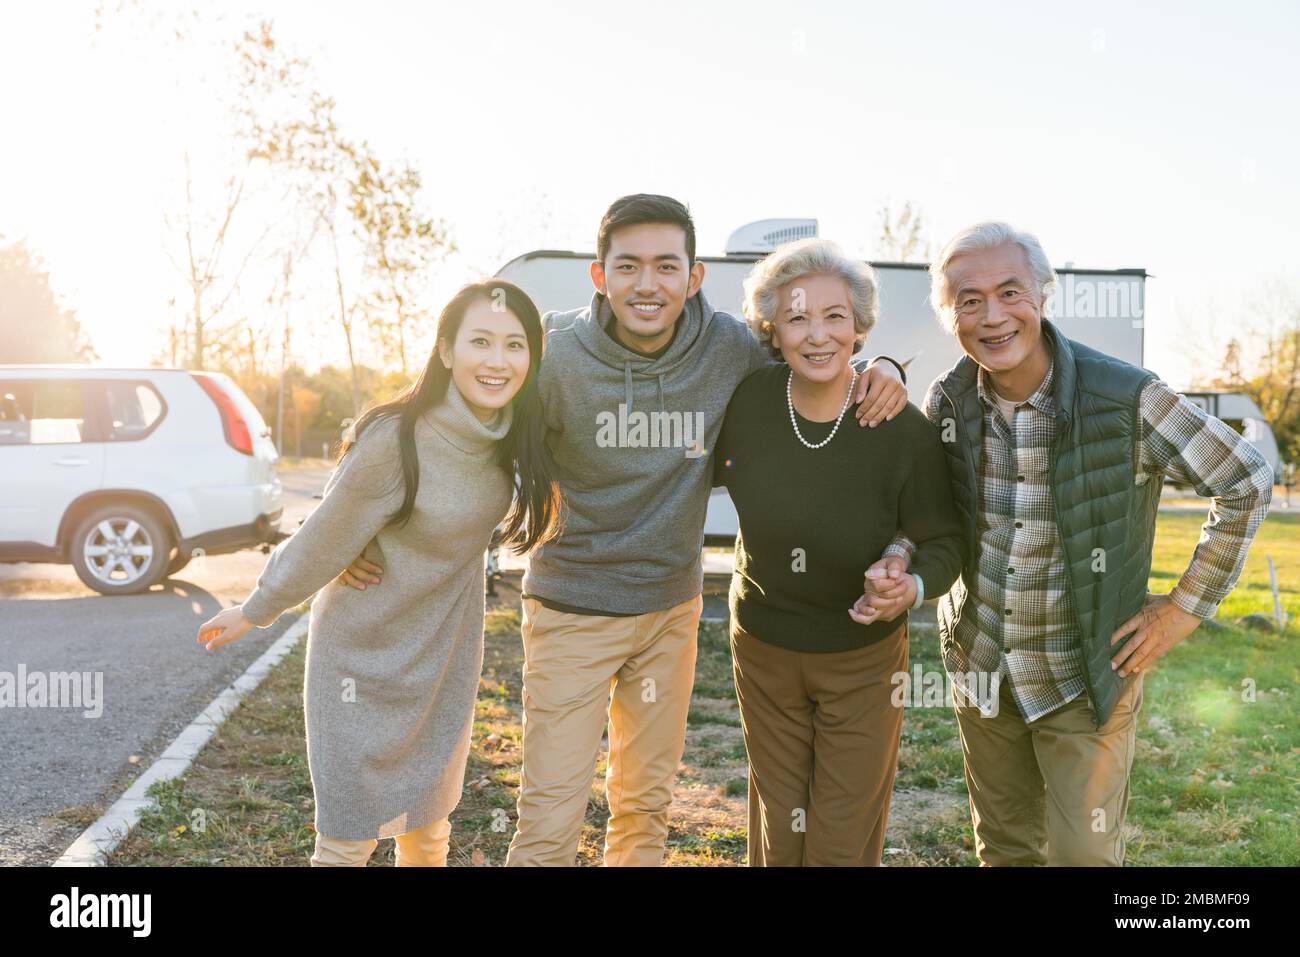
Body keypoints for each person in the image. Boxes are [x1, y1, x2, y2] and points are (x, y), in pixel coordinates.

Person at [340, 194, 911, 866]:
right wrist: (356, 511)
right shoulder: (553, 355)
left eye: (667, 266)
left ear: (694, 277)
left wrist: (888, 368)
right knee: (551, 814)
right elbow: (442, 412)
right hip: (570, 608)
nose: (648, 284)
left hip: (670, 611)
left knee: (645, 810)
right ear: (599, 275)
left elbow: (819, 356)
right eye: (630, 266)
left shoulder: (729, 347)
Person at [899, 221, 1273, 866]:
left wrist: (1185, 607)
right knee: (1005, 851)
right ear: (948, 315)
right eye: (968, 300)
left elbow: (1246, 477)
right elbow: (930, 516)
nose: (991, 316)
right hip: (983, 666)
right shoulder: (949, 402)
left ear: (1043, 297)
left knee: (1083, 856)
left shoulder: (1129, 398)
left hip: (1087, 675)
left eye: (1009, 292)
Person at [196, 280, 561, 867]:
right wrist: (255, 609)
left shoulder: (511, 438)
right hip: (359, 660)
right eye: (481, 341)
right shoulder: (397, 439)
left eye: (515, 345)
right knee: (348, 836)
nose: (497, 360)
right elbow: (324, 534)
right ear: (445, 350)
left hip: (440, 657)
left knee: (428, 827)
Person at [713, 238, 964, 866]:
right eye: (797, 317)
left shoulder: (901, 426)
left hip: (863, 660)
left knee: (841, 831)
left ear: (858, 327)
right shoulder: (746, 403)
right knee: (780, 817)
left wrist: (910, 583)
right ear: (772, 329)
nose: (817, 334)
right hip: (765, 649)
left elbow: (941, 536)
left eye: (834, 316)